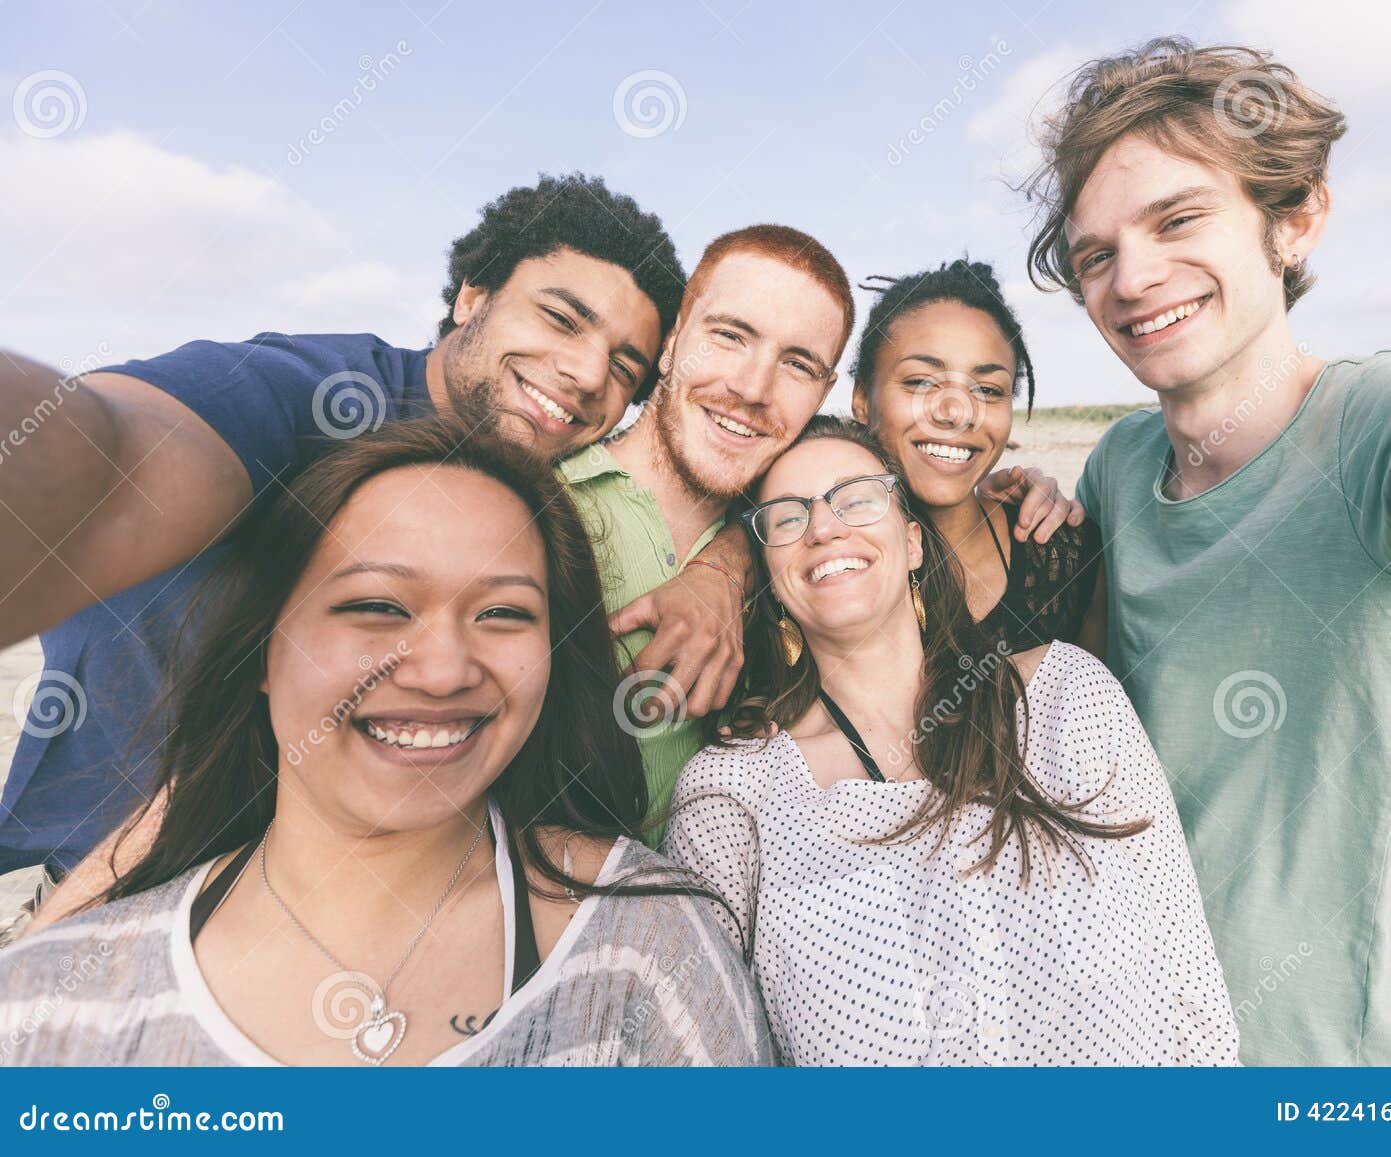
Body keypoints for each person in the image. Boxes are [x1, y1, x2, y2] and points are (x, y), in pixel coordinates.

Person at [1027, 38, 1391, 1062]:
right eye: (1095, 254)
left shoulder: (1388, 420)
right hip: (1149, 1045)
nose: (1133, 277)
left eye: (1178, 218)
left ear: (1292, 221)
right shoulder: (1116, 465)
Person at [0, 173, 753, 881]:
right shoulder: (318, 398)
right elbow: (115, 458)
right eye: (560, 318)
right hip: (84, 883)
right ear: (472, 296)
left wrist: (727, 564)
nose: (590, 375)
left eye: (626, 367)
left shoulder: (543, 495)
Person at [0, 416, 772, 1067]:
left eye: (504, 613)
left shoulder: (650, 947)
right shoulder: (53, 1005)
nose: (442, 671)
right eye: (375, 604)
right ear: (263, 648)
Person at [661, 416, 1238, 1065]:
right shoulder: (732, 791)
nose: (824, 527)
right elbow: (716, 1059)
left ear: (912, 541)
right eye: (788, 517)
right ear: (767, 571)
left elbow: (1190, 984)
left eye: (856, 497)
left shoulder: (1064, 698)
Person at [560, 226, 1079, 816]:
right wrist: (728, 565)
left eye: (799, 364)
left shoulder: (1054, 583)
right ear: (674, 338)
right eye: (730, 336)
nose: (753, 387)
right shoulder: (549, 514)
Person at [850, 258, 1103, 650]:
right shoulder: (806, 551)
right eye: (920, 382)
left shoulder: (1069, 555)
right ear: (863, 399)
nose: (956, 413)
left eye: (987, 390)